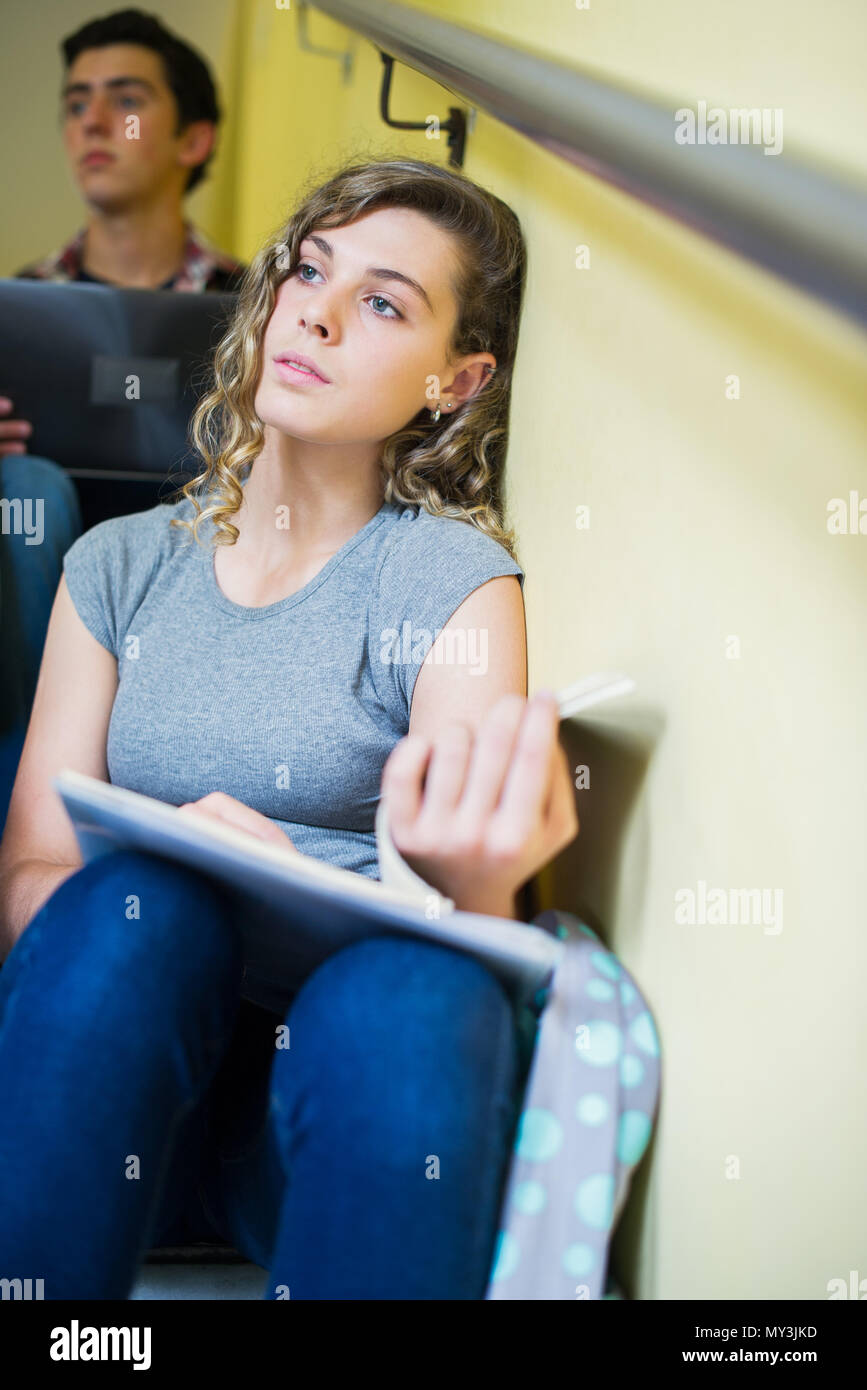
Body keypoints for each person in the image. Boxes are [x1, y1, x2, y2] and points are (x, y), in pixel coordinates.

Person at [0, 158, 585, 1300]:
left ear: (455, 381)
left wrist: (476, 890)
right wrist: (180, 866)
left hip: (318, 1102)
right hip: (120, 1073)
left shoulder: (449, 579)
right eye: (308, 270)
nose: (311, 309)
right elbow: (28, 874)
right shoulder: (117, 566)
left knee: (416, 991)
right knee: (144, 908)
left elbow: (456, 912)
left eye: (381, 301)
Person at [0, 9, 245, 823]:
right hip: (41, 558)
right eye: (75, 103)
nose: (94, 122)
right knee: (20, 492)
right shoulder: (15, 307)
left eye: (125, 100)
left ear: (194, 140)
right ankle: (44, 797)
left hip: (193, 554)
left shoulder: (262, 312)